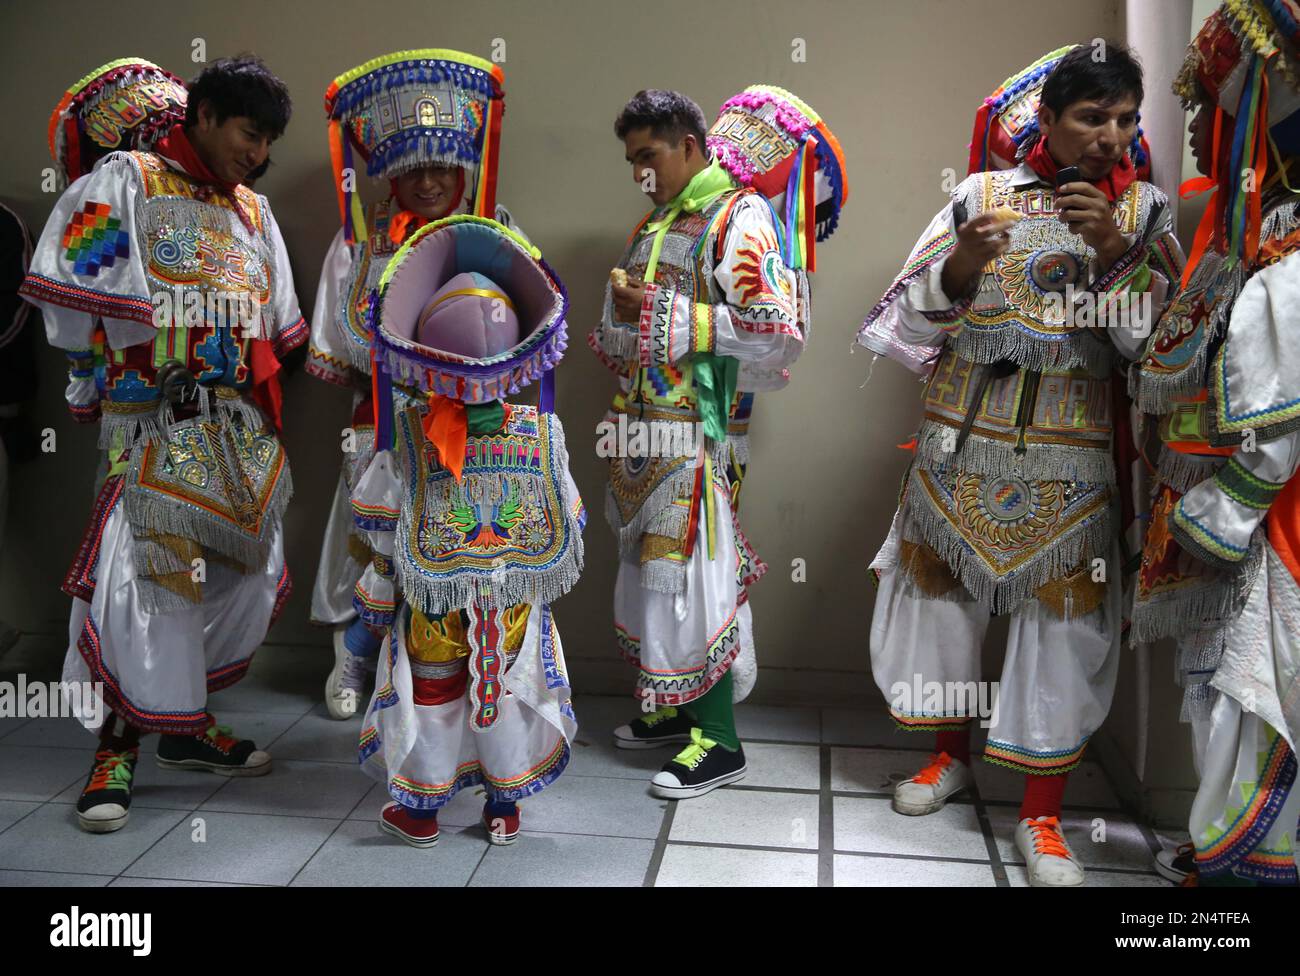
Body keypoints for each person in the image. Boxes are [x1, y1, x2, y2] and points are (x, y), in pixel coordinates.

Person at [856, 44, 1182, 885]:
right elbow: (911, 327)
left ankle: (1041, 818)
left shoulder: (1145, 214)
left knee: (1063, 634)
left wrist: (1114, 250)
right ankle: (944, 759)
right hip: (960, 446)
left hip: (1072, 461)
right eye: (1090, 117)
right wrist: (961, 264)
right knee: (941, 610)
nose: (1109, 136)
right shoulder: (978, 197)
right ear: (1046, 120)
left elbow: (1159, 352)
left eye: (1123, 119)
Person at [18, 55, 305, 834]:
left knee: (246, 574)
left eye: (268, 141)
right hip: (154, 421)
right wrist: (113, 361)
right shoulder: (130, 178)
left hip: (236, 427)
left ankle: (183, 723)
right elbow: (78, 289)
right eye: (248, 133)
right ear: (204, 115)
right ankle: (116, 750)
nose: (256, 152)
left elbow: (275, 325)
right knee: (149, 585)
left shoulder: (253, 209)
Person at [592, 87, 844, 799]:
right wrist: (624, 313)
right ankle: (674, 712)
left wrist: (664, 312)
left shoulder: (741, 214)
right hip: (641, 437)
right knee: (650, 579)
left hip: (699, 441)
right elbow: (625, 338)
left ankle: (721, 742)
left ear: (692, 147)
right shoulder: (655, 224)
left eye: (651, 156)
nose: (642, 173)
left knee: (694, 585)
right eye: (632, 161)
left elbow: (776, 329)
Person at [347, 173, 584, 844]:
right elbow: (569, 517)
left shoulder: (411, 440)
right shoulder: (541, 433)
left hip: (431, 602)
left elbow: (380, 520)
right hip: (510, 600)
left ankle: (421, 809)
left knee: (433, 695)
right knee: (506, 691)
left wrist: (373, 596)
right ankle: (504, 806)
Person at [1134, 3, 1300, 887]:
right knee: (1216, 689)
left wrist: (1232, 502)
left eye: (1209, 109)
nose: (1194, 127)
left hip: (1264, 511)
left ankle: (1243, 873)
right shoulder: (1227, 222)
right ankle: (1220, 855)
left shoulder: (1292, 235)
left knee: (1254, 695)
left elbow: (1282, 409)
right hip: (1217, 501)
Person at [313, 48, 522, 720]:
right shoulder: (361, 242)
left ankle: (446, 672)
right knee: (375, 544)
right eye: (413, 169)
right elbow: (337, 341)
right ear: (388, 171)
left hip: (469, 424)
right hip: (380, 418)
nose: (429, 181)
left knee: (458, 542)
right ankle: (355, 656)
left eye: (441, 166)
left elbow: (523, 332)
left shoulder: (496, 230)